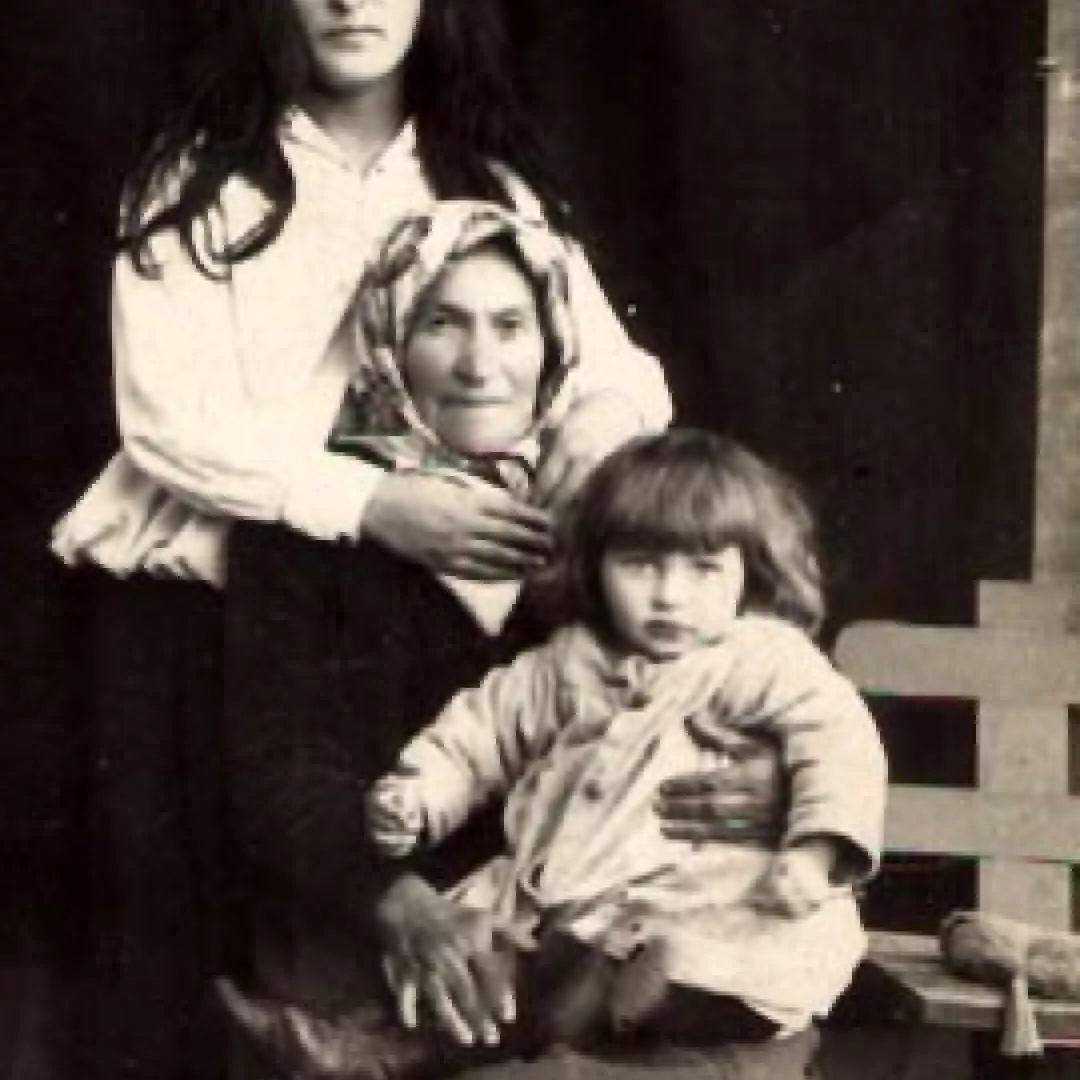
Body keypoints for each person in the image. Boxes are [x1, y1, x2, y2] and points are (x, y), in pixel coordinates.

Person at [48, 3, 682, 1078]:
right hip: (196, 613)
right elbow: (166, 420)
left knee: (444, 939)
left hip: (404, 625)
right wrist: (368, 503)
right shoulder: (200, 182)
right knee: (189, 980)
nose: (352, 2)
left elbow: (618, 370)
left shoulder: (485, 180)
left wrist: (590, 422)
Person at [222, 428, 888, 1080]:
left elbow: (841, 743)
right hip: (582, 915)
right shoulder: (567, 662)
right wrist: (419, 795)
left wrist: (816, 850)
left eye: (703, 569)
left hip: (720, 914)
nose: (669, 595)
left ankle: (619, 1010)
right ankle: (374, 1052)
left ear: (750, 573)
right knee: (507, 977)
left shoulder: (761, 657)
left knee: (659, 970)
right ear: (595, 567)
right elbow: (480, 735)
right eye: (640, 565)